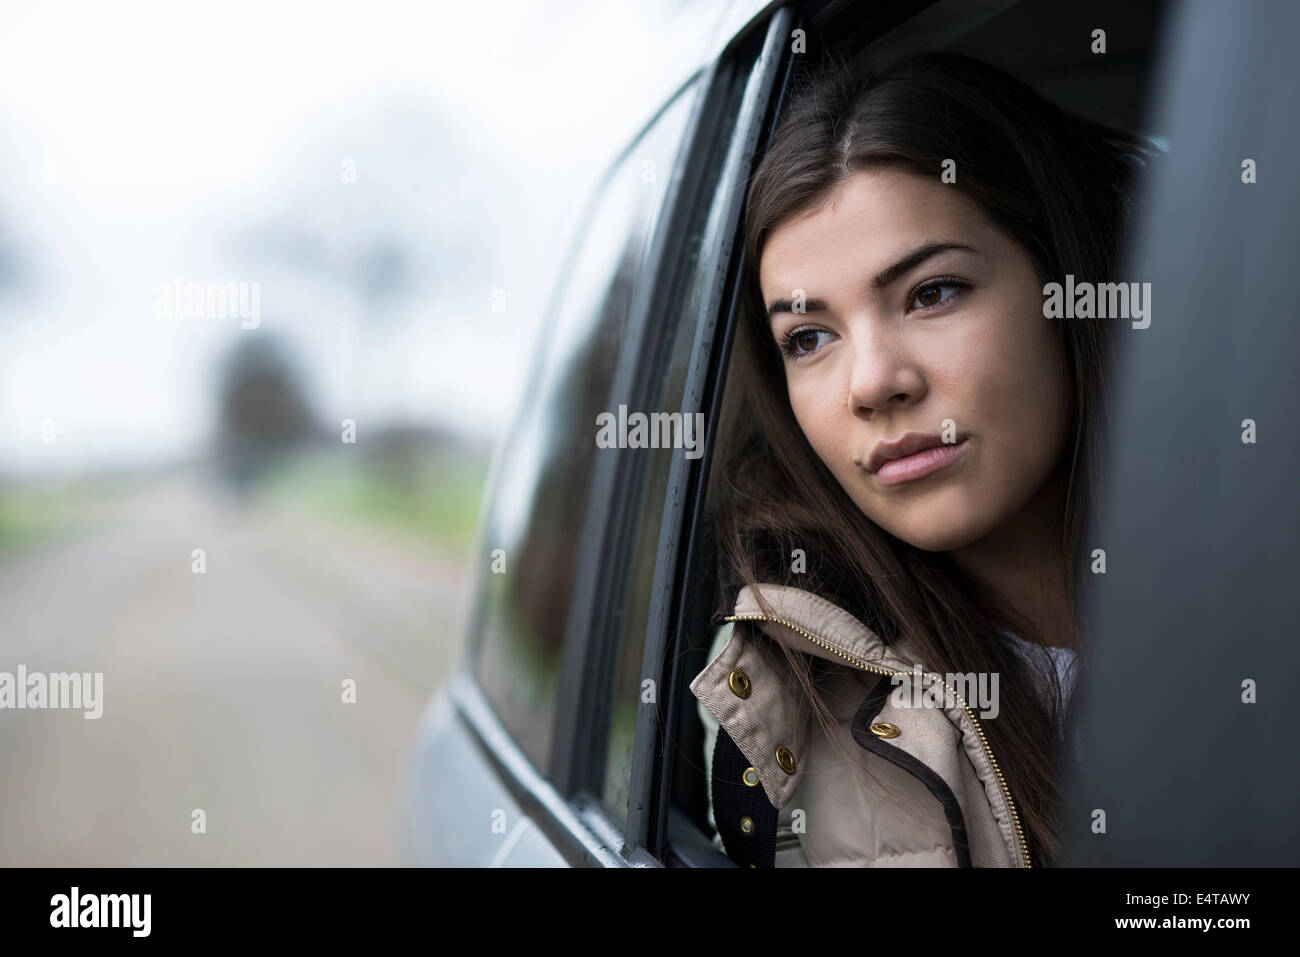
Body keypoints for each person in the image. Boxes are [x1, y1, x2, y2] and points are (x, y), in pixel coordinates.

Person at [690, 51, 1160, 867]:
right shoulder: (785, 722)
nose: (872, 383)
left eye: (932, 292)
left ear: (1067, 285)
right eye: (809, 338)